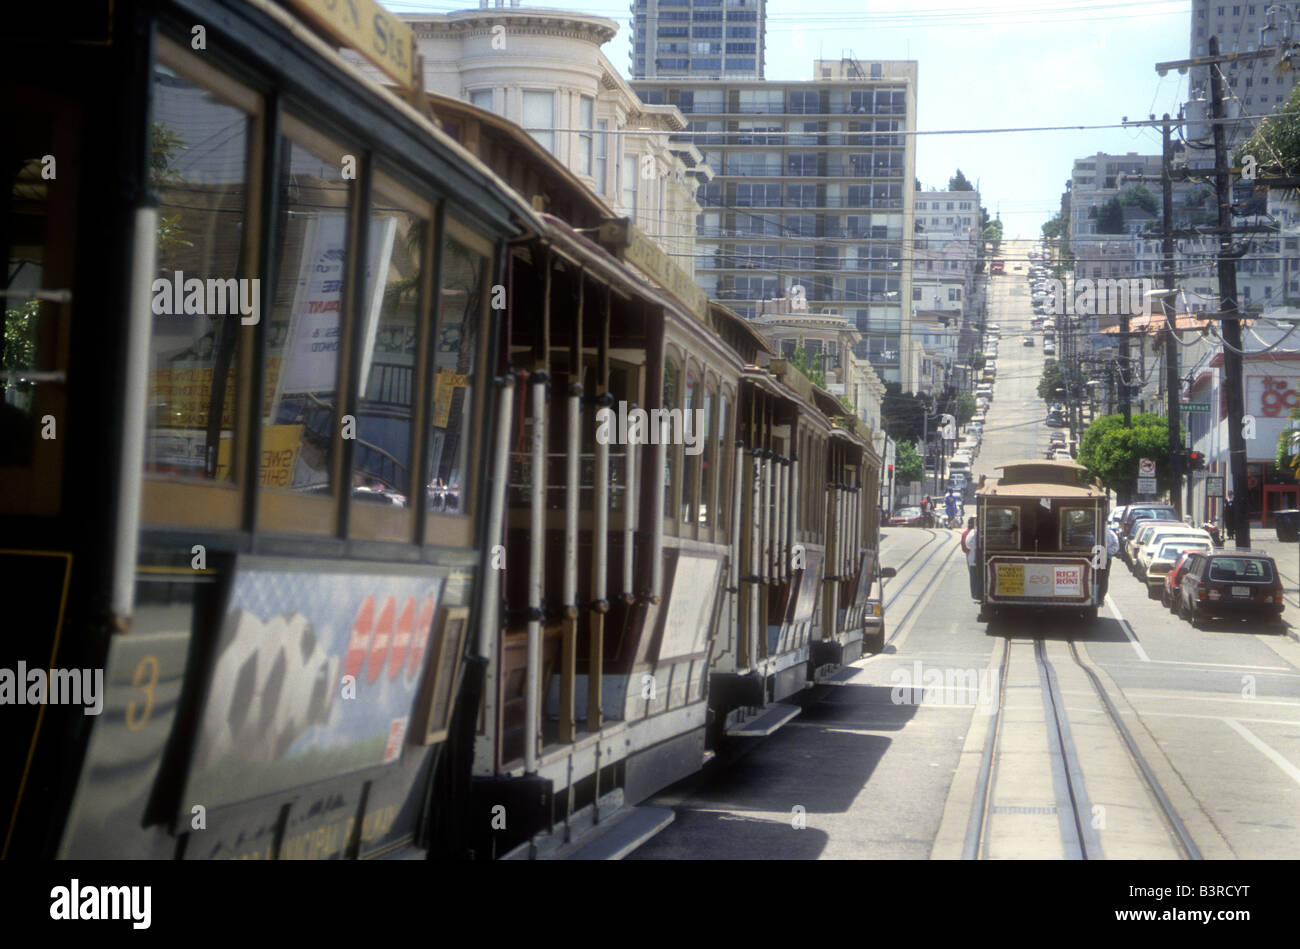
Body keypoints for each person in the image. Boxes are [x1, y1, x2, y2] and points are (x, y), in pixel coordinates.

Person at [962, 517, 980, 600]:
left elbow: (964, 547)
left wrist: (968, 552)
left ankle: (974, 593)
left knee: (972, 575)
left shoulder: (967, 532)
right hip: (974, 558)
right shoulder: (974, 533)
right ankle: (976, 593)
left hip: (969, 556)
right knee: (975, 576)